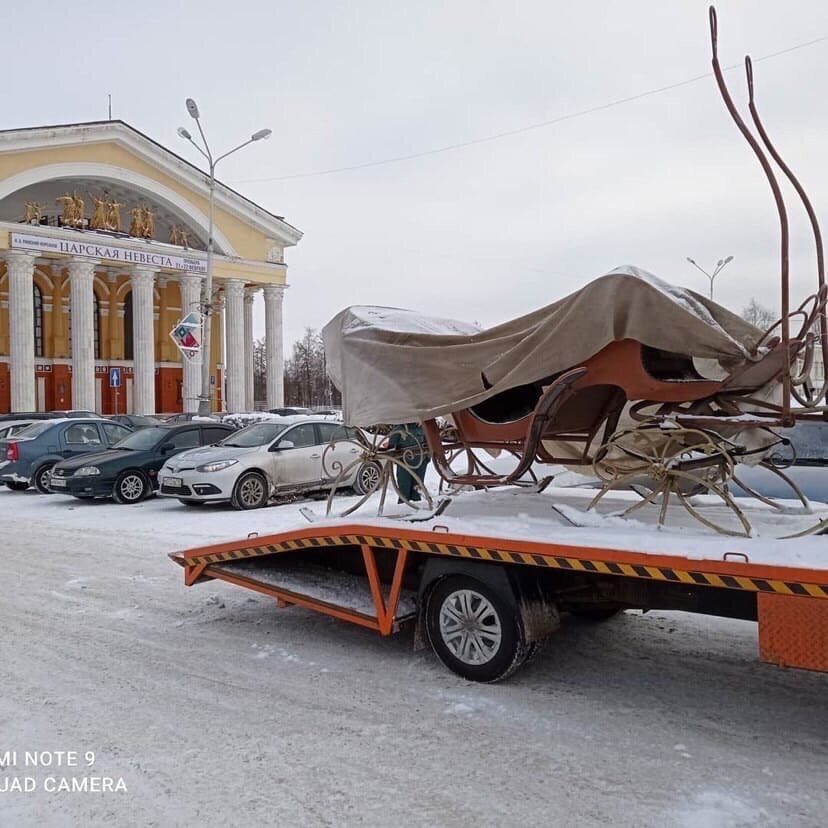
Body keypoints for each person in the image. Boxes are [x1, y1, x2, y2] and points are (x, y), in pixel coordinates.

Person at [386, 422, 430, 502]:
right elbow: (391, 448)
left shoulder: (422, 428)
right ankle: (403, 506)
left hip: (420, 462)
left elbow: (428, 444)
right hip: (404, 463)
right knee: (404, 489)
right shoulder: (400, 429)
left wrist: (427, 458)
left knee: (417, 488)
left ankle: (417, 507)